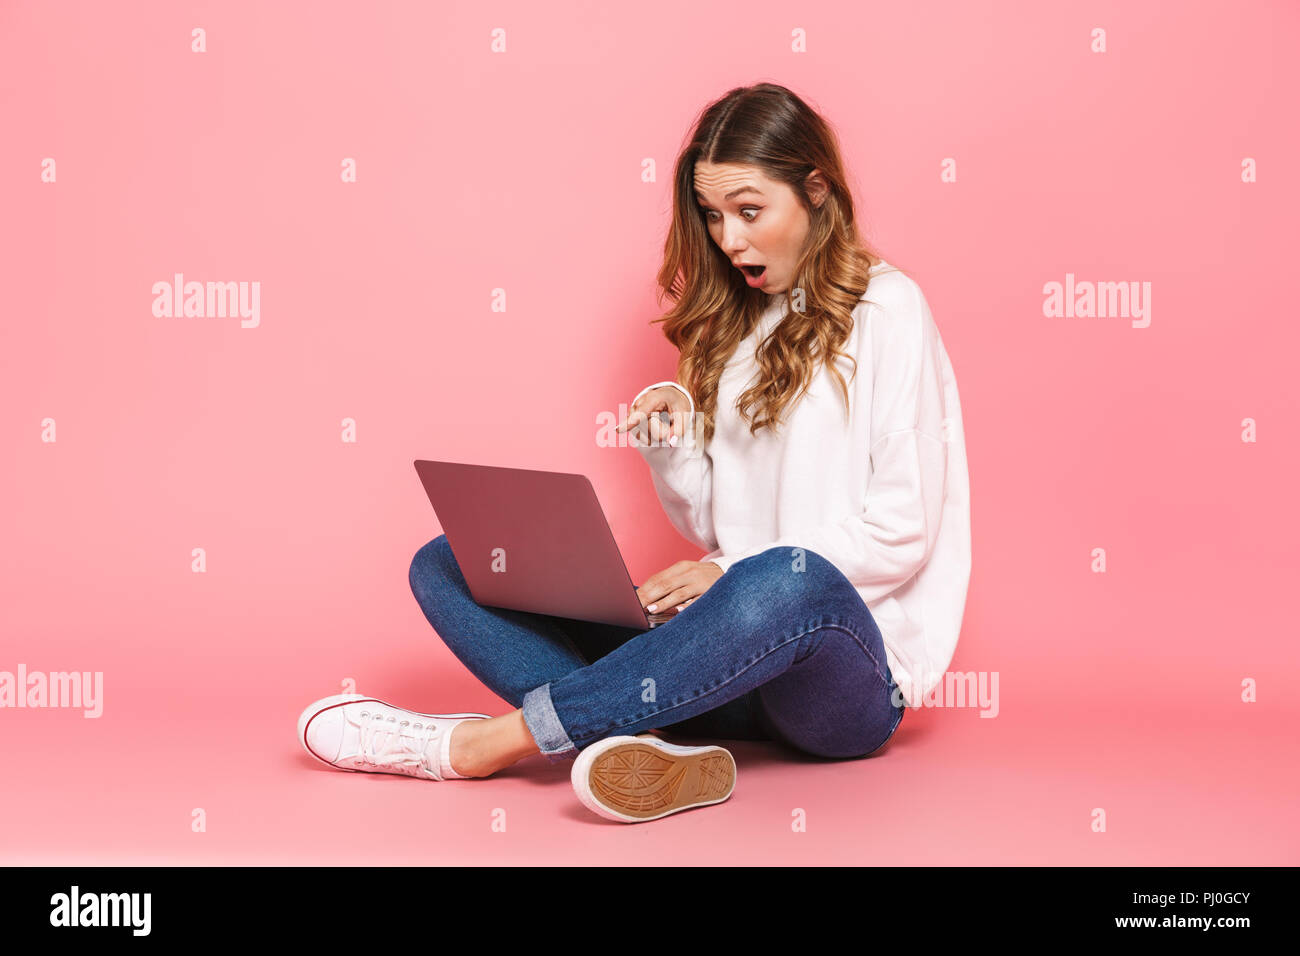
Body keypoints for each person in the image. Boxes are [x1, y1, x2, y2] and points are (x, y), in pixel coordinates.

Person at [297, 82, 971, 824]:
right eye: (713, 217)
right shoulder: (732, 324)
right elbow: (710, 522)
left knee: (789, 577)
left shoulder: (889, 309)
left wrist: (724, 571)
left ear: (816, 190)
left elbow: (902, 531)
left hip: (841, 684)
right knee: (449, 560)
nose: (730, 240)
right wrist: (671, 442)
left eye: (750, 211)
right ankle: (636, 746)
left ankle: (487, 744)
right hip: (723, 664)